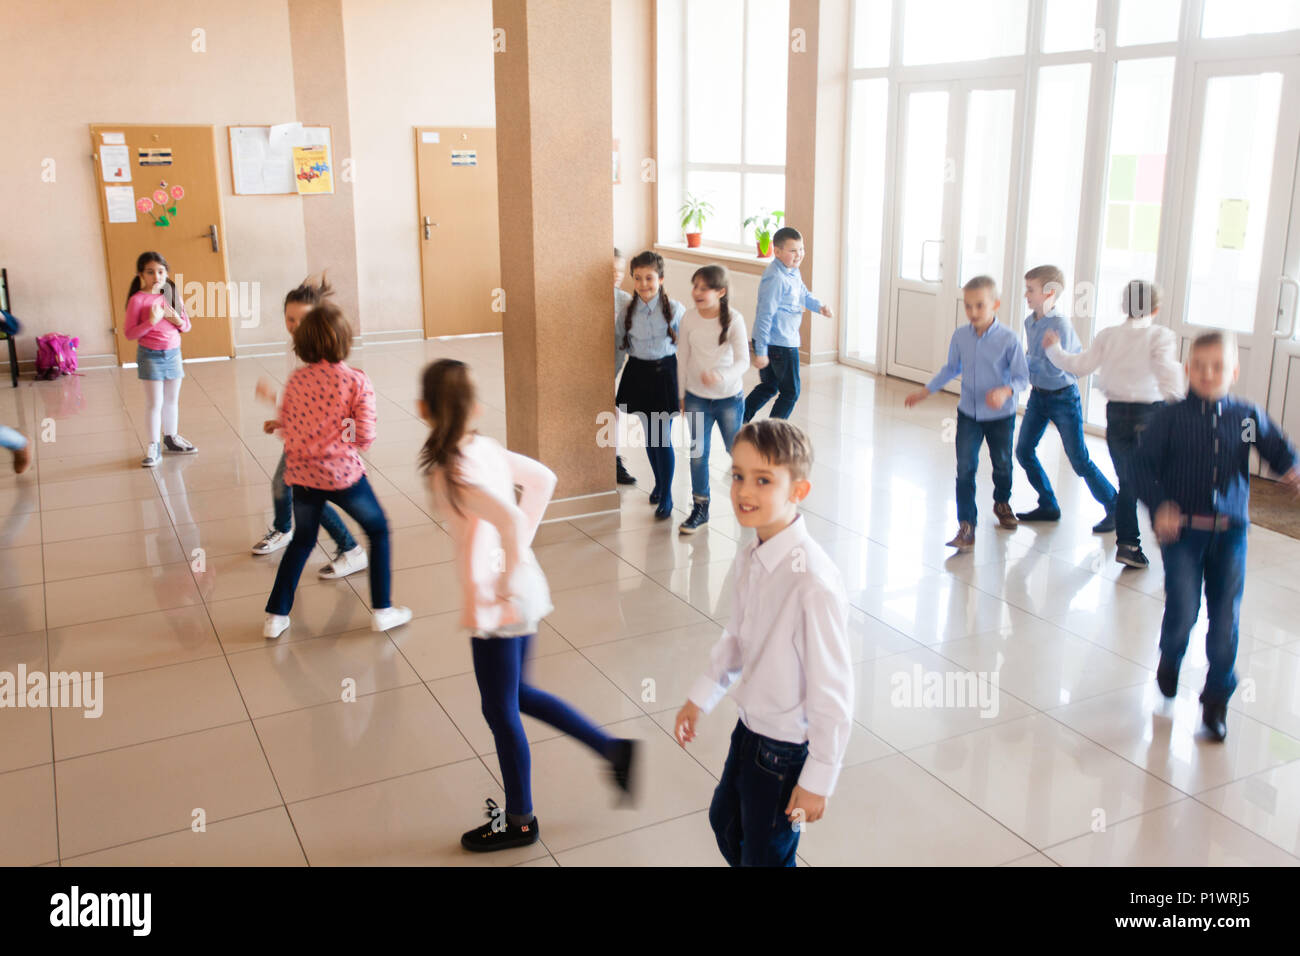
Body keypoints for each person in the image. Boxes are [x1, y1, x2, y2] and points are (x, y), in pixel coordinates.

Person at [418, 358, 639, 852]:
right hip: (521, 592)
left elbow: (511, 521)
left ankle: (521, 821)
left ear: (422, 409)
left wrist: (506, 570)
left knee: (500, 709)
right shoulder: (484, 449)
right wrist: (517, 559)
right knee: (517, 695)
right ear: (474, 407)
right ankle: (613, 750)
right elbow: (543, 480)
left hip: (501, 605)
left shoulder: (453, 470)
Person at [675, 419, 853, 867]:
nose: (743, 491)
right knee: (725, 821)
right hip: (750, 732)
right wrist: (701, 697)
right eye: (737, 475)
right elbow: (736, 638)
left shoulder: (812, 581)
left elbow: (833, 693)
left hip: (785, 751)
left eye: (763, 480)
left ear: (799, 491)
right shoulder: (752, 553)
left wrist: (819, 778)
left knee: (766, 855)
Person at [1135, 330, 1299, 742]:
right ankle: (1170, 658)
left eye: (1219, 367)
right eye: (1200, 367)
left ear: (1234, 371)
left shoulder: (1244, 419)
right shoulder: (1170, 420)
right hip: (1183, 536)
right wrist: (1160, 505)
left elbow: (1275, 449)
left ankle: (1215, 699)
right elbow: (1139, 468)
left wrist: (1292, 468)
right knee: (1183, 612)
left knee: (1225, 619)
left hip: (1230, 536)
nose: (1209, 374)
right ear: (1188, 370)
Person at [262, 302, 411, 638]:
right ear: (344, 341)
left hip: (302, 477)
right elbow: (364, 436)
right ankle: (383, 610)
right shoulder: (355, 380)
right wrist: (342, 433)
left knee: (302, 541)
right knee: (378, 531)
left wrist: (288, 425)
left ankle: (275, 616)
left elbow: (293, 426)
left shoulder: (296, 380)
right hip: (344, 476)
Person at [1043, 279, 1184, 569]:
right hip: (1151, 417)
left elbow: (1081, 366)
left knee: (1128, 481)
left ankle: (1129, 543)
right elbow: (1169, 376)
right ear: (1156, 308)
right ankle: (1168, 532)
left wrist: (1054, 350)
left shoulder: (1108, 335)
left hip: (1117, 417)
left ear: (1124, 306)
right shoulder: (1160, 336)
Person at [250, 274, 367, 580]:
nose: (294, 326)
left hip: (321, 444)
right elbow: (301, 400)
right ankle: (285, 529)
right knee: (285, 487)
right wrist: (281, 417)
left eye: (301, 319)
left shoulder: (322, 355)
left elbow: (331, 406)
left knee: (304, 493)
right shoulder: (298, 350)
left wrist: (348, 441)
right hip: (304, 438)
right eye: (289, 319)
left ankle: (350, 549)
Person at [904, 275, 1029, 551]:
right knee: (965, 469)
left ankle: (1002, 501)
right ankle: (966, 526)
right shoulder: (961, 336)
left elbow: (1022, 378)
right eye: (968, 306)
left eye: (980, 306)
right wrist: (926, 391)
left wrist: (1005, 391)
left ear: (995, 304)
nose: (972, 312)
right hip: (969, 415)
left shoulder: (1009, 340)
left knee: (1003, 464)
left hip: (1001, 417)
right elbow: (952, 368)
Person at [1014, 265, 1117, 532]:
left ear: (1049, 292)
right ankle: (1048, 504)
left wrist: (1028, 361)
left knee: (1079, 459)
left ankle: (1115, 506)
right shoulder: (1030, 322)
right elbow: (1031, 360)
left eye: (1030, 289)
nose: (1026, 294)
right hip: (1038, 397)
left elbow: (1069, 364)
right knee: (1024, 451)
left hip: (1063, 399)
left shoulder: (1060, 324)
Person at [676, 264, 748, 534]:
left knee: (736, 452)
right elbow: (682, 357)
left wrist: (722, 376)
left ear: (721, 292)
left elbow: (743, 361)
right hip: (696, 398)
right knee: (698, 454)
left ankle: (750, 499)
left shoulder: (734, 320)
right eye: (695, 286)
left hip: (729, 398)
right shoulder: (688, 319)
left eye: (704, 288)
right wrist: (681, 394)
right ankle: (700, 507)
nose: (697, 292)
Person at [615, 251, 685, 520]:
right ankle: (659, 482)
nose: (644, 284)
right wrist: (612, 374)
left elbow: (687, 348)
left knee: (662, 436)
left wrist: (687, 385)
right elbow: (619, 347)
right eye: (638, 278)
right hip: (638, 374)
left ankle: (666, 494)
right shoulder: (626, 313)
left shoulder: (676, 310)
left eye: (650, 278)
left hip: (665, 374)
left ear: (661, 279)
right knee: (650, 435)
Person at [743, 227, 832, 423]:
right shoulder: (776, 277)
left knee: (769, 387)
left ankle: (739, 420)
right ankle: (774, 433)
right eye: (793, 250)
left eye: (801, 249)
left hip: (778, 341)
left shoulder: (792, 271)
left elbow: (803, 294)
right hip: (780, 343)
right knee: (791, 392)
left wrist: (819, 307)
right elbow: (765, 315)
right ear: (777, 251)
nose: (799, 255)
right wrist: (760, 350)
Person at [122, 251, 197, 467]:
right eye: (150, 272)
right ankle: (153, 445)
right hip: (150, 356)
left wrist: (175, 319)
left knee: (172, 400)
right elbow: (129, 334)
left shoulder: (171, 294)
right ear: (140, 275)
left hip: (173, 354)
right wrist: (151, 322)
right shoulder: (137, 300)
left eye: (161, 271)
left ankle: (171, 438)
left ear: (167, 273)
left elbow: (187, 326)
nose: (156, 276)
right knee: (155, 402)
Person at [613, 248, 636, 486]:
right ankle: (611, 457)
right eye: (611, 271)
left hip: (614, 366)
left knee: (613, 413)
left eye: (619, 270)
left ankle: (613, 458)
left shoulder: (625, 300)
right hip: (592, 367)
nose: (616, 275)